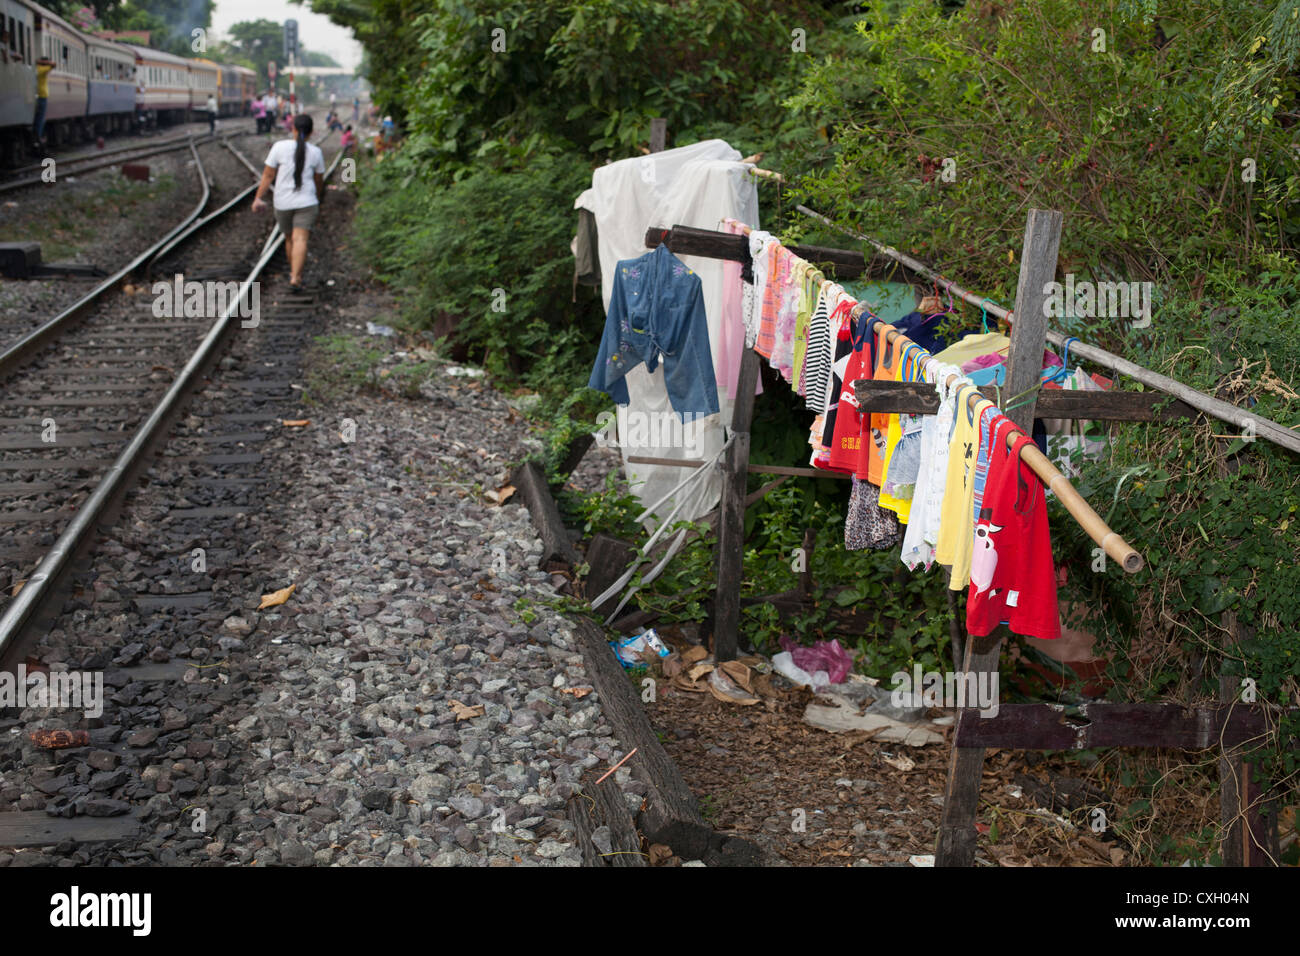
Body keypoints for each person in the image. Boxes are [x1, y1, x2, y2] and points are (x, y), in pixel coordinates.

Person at [251, 113, 325, 292]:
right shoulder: (316, 152)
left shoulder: (279, 147)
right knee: (301, 239)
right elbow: (319, 180)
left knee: (289, 239)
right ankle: (295, 276)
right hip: (307, 202)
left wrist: (258, 197)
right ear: (311, 132)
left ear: (292, 129)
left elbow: (268, 175)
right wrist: (318, 196)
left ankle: (294, 273)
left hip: (283, 202)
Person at [35, 57, 55, 149]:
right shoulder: (42, 69)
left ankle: (37, 136)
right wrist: (46, 62)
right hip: (42, 96)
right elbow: (54, 64)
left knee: (38, 118)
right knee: (41, 119)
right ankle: (38, 136)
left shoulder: (36, 68)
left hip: (35, 95)